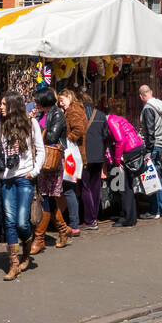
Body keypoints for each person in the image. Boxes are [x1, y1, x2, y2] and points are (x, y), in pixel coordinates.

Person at [0, 91, 45, 280]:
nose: (1, 107)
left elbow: (40, 150)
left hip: (24, 177)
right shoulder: (0, 126)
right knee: (9, 221)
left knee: (22, 222)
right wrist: (0, 173)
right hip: (7, 178)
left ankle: (27, 245)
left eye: (3, 104)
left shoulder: (31, 124)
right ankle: (13, 263)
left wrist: (34, 171)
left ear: (13, 105)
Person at [32, 89, 71, 252]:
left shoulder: (56, 114)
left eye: (37, 100)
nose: (35, 103)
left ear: (43, 101)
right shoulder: (42, 114)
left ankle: (39, 238)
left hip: (51, 160)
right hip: (43, 159)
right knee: (49, 197)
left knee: (47, 196)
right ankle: (63, 230)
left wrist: (36, 132)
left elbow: (52, 137)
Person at [138, 84, 162, 218]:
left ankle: (155, 210)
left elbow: (149, 130)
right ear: (151, 92)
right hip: (160, 144)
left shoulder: (148, 108)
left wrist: (148, 150)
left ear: (141, 96)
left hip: (152, 146)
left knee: (151, 178)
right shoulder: (161, 106)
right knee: (157, 176)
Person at [58, 88, 87, 232]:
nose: (61, 104)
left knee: (69, 189)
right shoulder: (74, 109)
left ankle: (74, 223)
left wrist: (67, 140)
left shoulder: (73, 110)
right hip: (74, 154)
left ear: (69, 97)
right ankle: (72, 221)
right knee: (70, 189)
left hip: (72, 155)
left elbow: (79, 129)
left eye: (62, 101)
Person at [79, 90, 108, 229]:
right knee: (95, 187)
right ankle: (94, 217)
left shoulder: (80, 116)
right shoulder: (101, 115)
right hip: (99, 155)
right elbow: (105, 135)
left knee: (85, 187)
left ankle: (89, 220)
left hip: (85, 155)